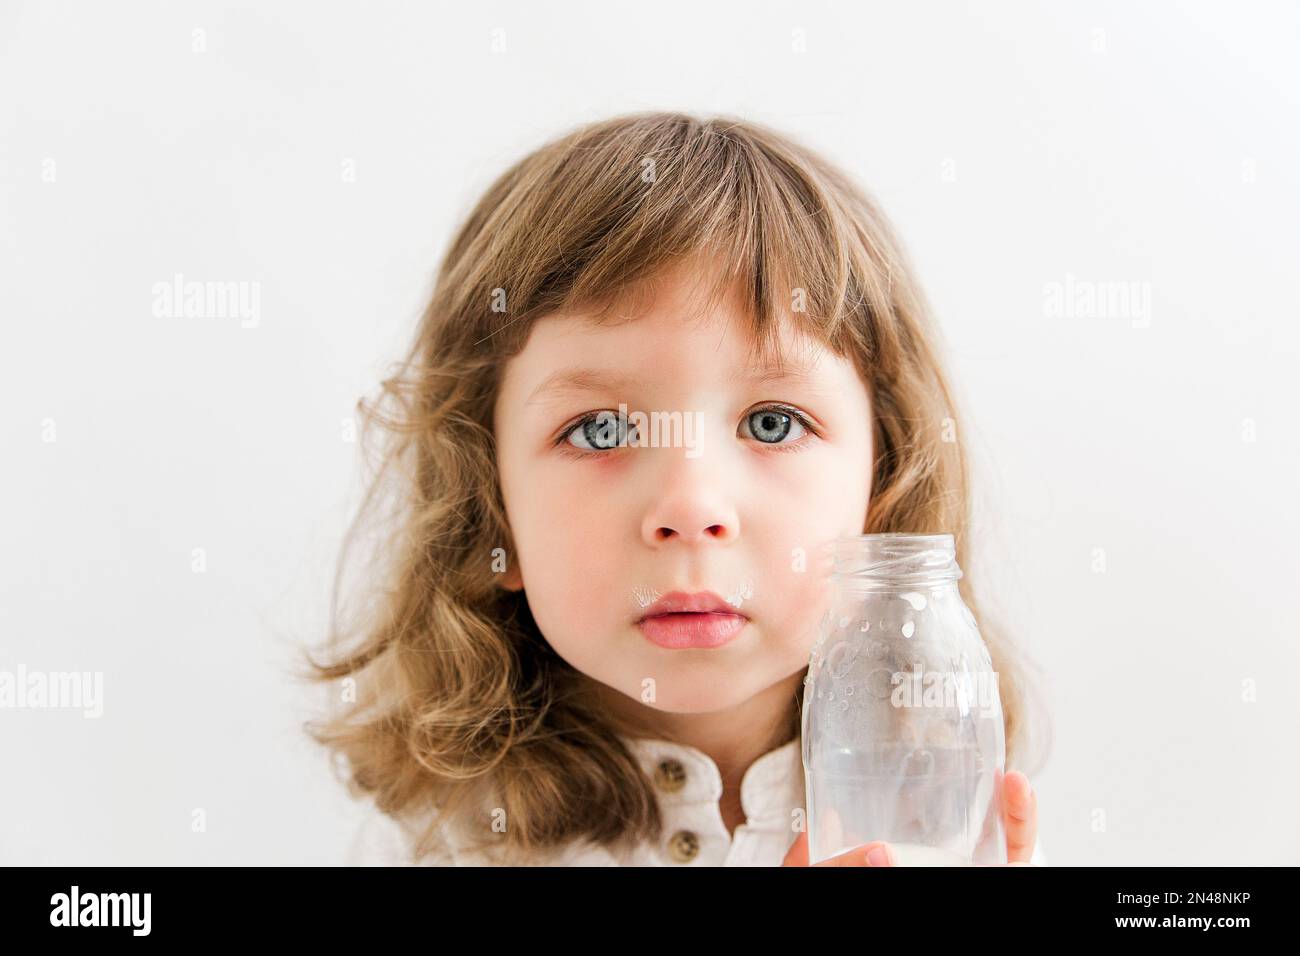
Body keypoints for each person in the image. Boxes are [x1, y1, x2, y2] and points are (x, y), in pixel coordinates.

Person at [303, 111, 1051, 867]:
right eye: (600, 430)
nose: (691, 508)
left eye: (770, 425)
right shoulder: (454, 842)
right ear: (489, 511)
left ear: (883, 488)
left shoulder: (934, 819)